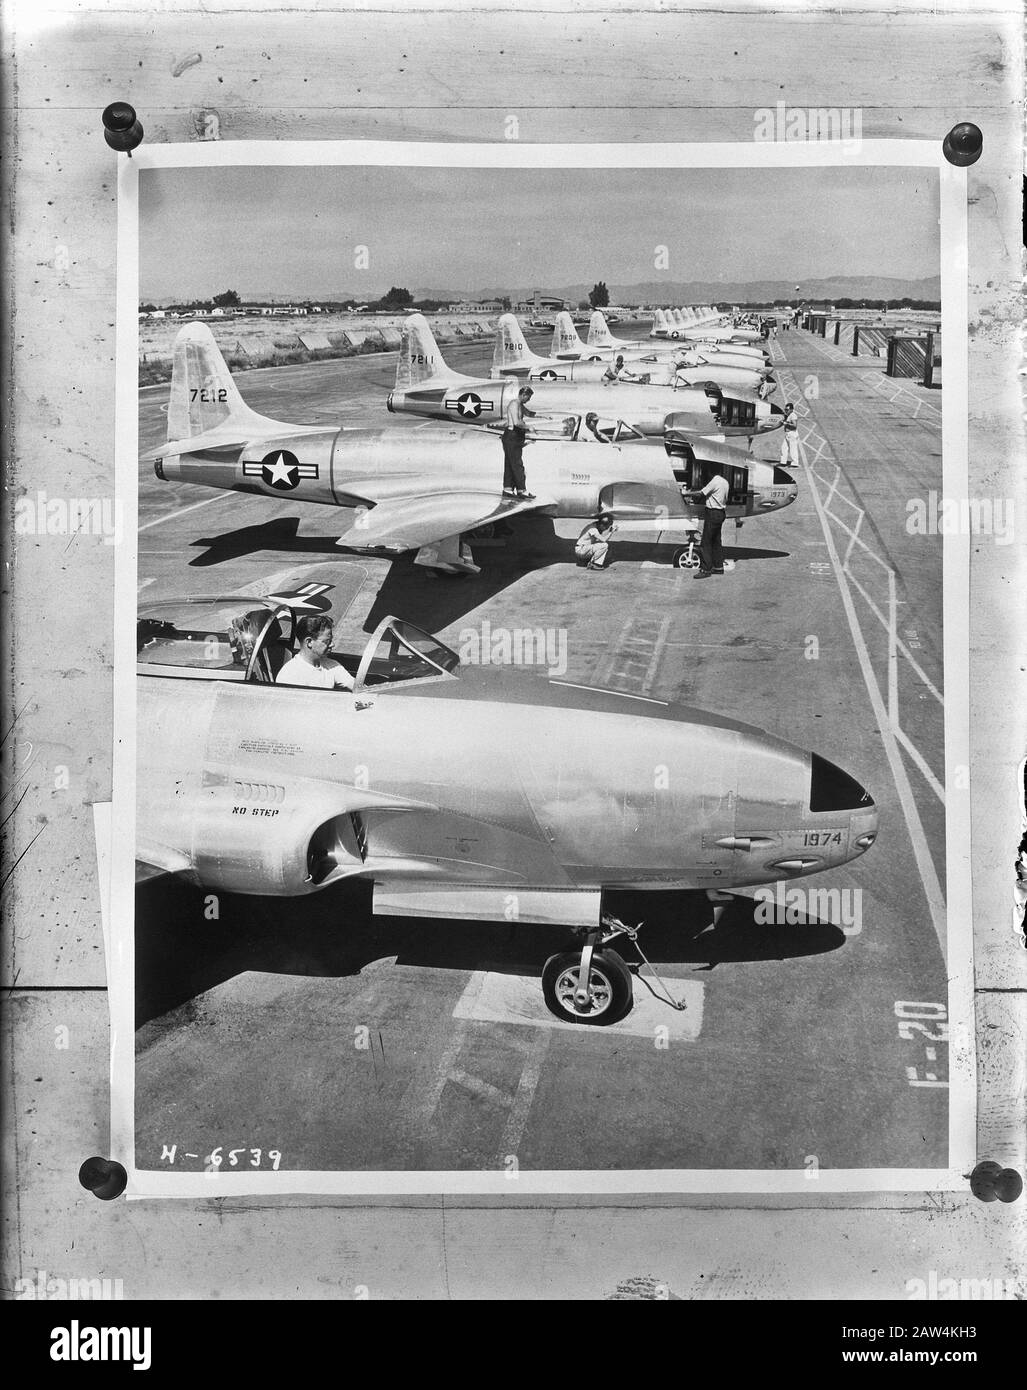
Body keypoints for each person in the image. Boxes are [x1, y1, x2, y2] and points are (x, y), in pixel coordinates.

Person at [276, 613, 354, 689]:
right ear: (309, 642)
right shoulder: (290, 675)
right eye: (327, 641)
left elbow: (356, 686)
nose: (332, 645)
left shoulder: (331, 665)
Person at [688, 469, 729, 578]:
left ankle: (706, 570)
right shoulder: (725, 482)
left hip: (712, 513)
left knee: (706, 542)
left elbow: (701, 493)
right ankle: (718, 567)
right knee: (716, 541)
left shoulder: (715, 481)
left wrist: (686, 493)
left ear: (711, 471)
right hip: (720, 513)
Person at [502, 386, 536, 499]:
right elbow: (516, 422)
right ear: (524, 395)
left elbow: (529, 413)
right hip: (512, 436)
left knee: (510, 464)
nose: (529, 400)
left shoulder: (520, 404)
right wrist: (528, 427)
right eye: (529, 397)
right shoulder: (514, 404)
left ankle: (508, 489)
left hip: (514, 437)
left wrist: (544, 416)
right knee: (517, 465)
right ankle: (522, 490)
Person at [780, 400, 800, 466]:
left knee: (793, 449)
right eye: (785, 409)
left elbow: (794, 426)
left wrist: (786, 423)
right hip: (788, 434)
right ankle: (783, 461)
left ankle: (795, 463)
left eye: (787, 409)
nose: (786, 411)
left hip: (792, 434)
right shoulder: (789, 415)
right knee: (784, 448)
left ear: (791, 409)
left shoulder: (793, 415)